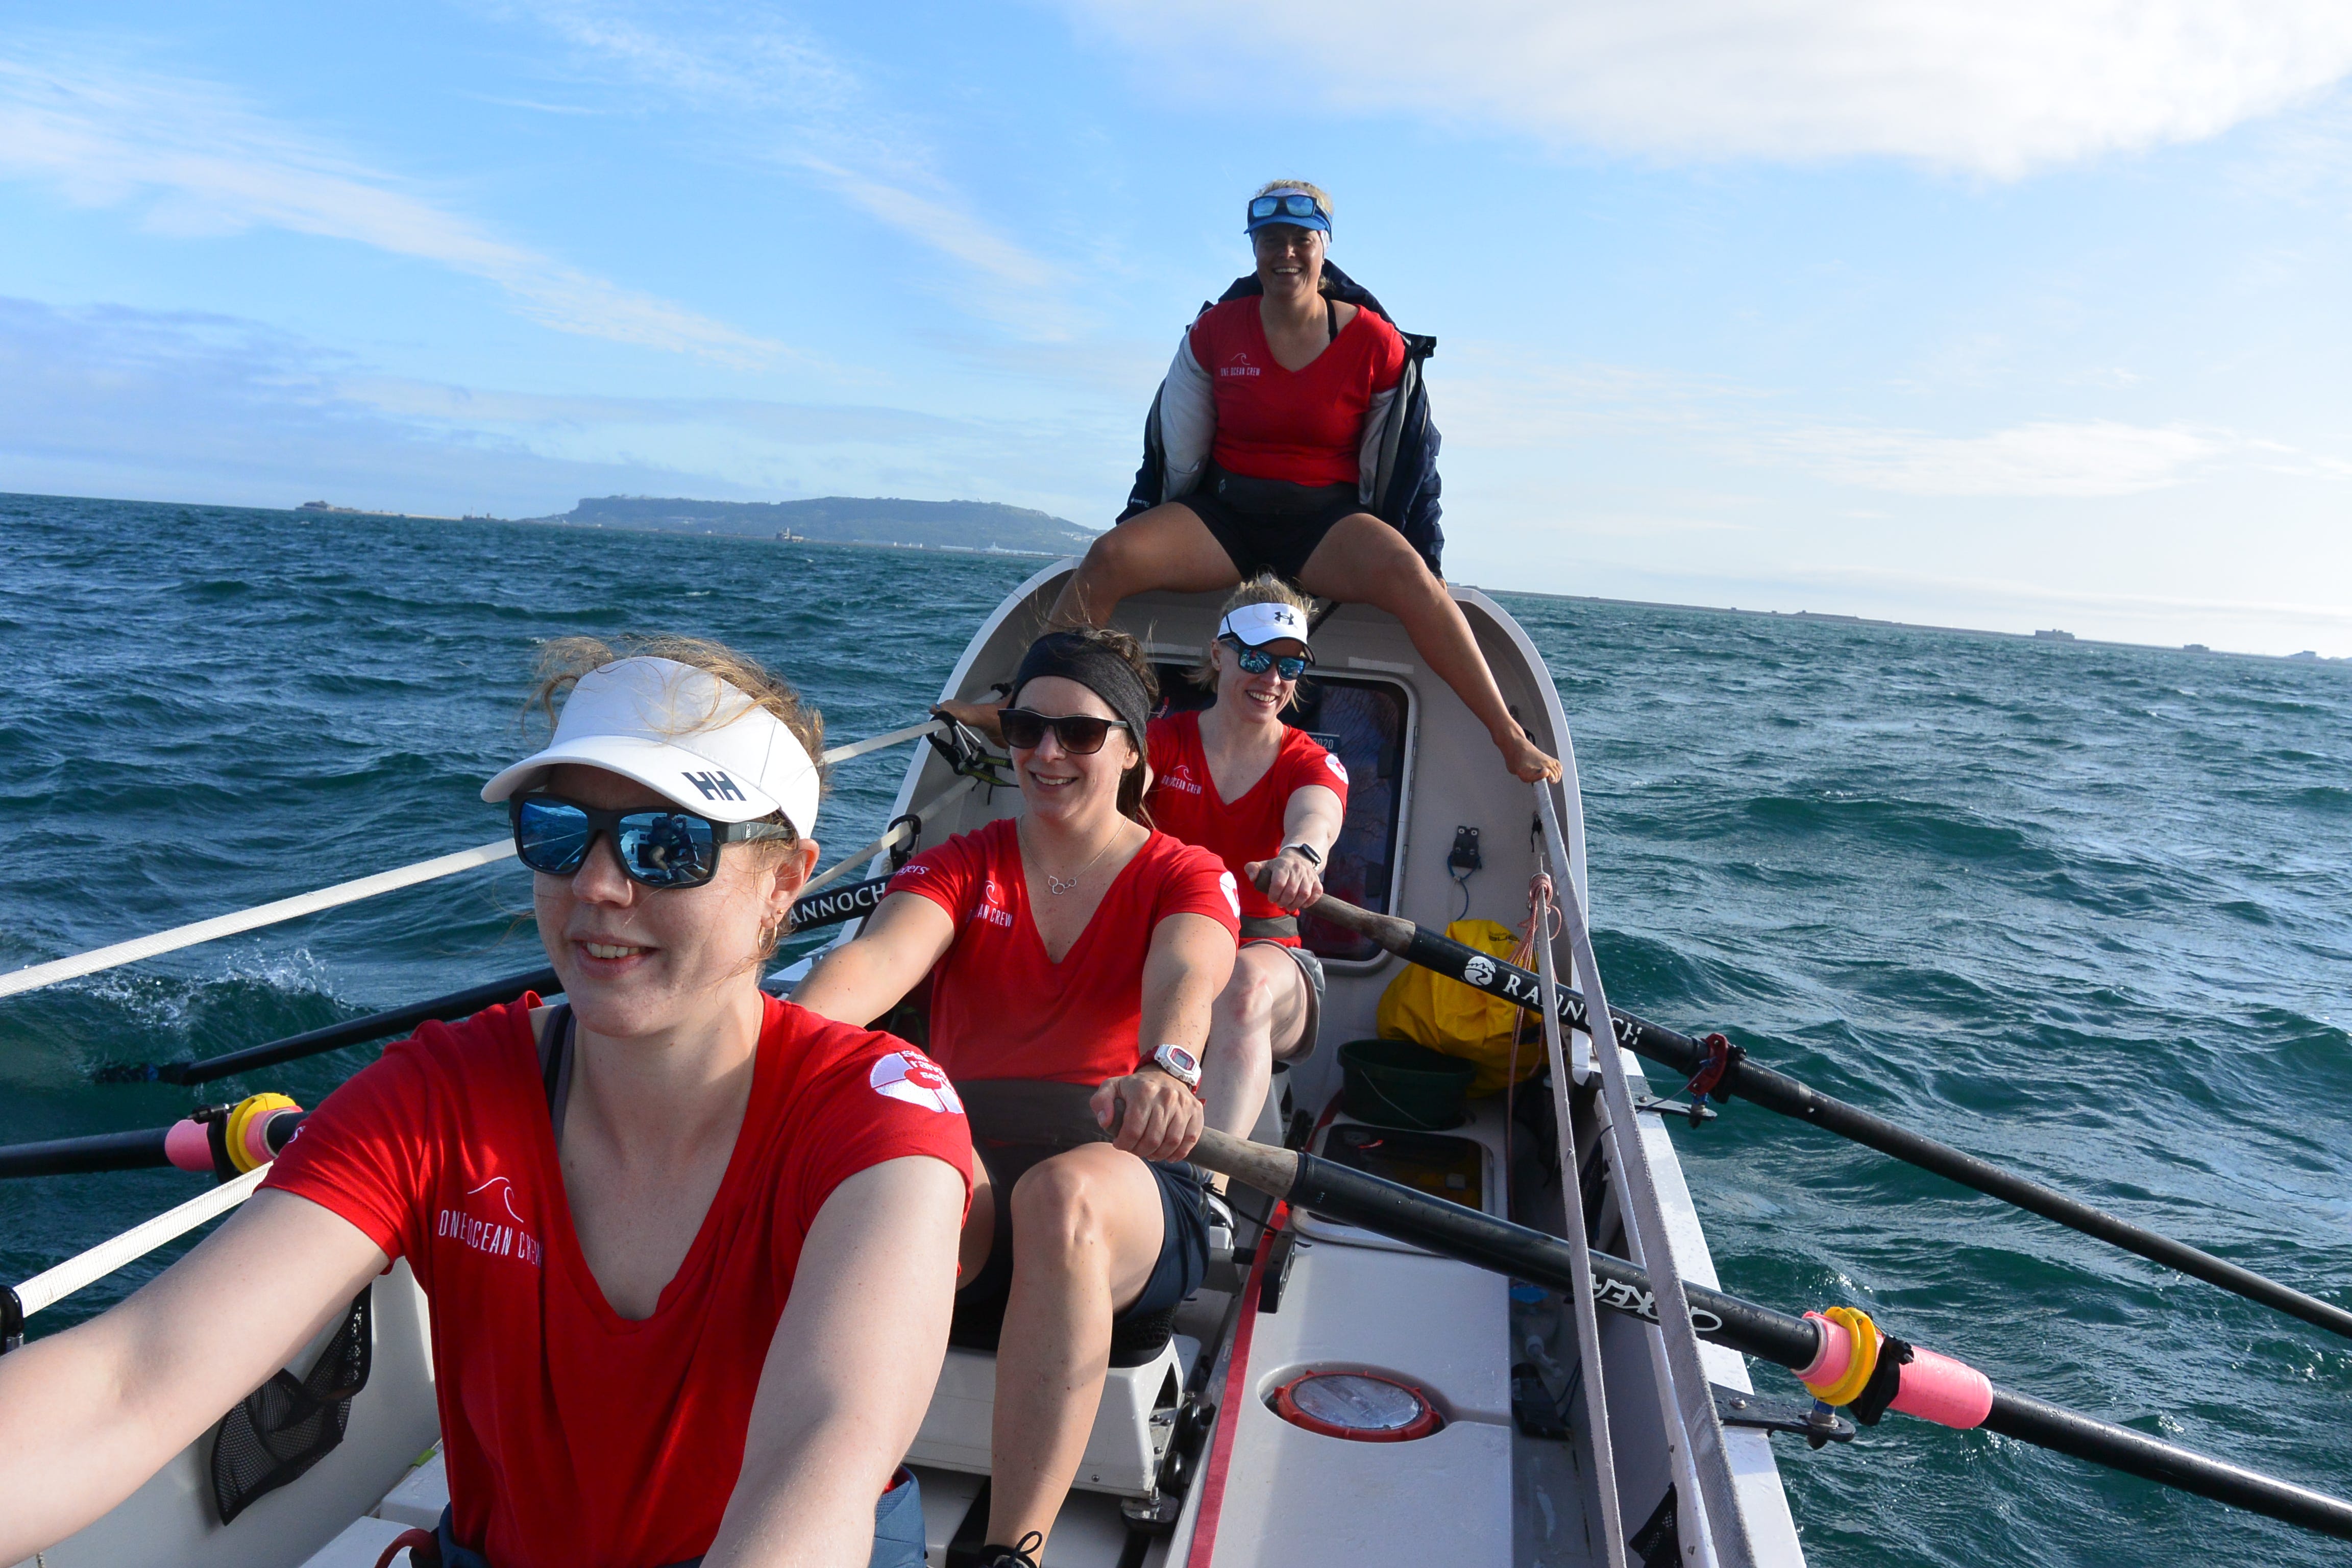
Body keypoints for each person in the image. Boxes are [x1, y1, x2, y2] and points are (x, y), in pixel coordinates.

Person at [0, 639, 973, 1568]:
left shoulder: (876, 1114)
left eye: (666, 845)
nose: (596, 885)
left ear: (785, 882)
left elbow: (822, 1455)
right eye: (559, 833)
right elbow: (131, 1381)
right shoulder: (443, 1095)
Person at [793, 627, 1239, 1568]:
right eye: (1026, 729)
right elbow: (874, 962)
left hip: (1128, 1183)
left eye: (1077, 735)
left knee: (1062, 1200)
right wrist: (776, 1046)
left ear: (1129, 747)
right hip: (971, 1180)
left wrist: (1168, 1067)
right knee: (867, 1193)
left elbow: (1187, 977)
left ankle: (1010, 1554)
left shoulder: (1184, 874)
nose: (1043, 754)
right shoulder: (963, 861)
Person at [1045, 179, 1561, 785]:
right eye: (1270, 240)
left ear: (1324, 247)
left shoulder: (1374, 340)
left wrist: (1428, 551)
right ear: (1254, 247)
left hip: (1324, 525)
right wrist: (1141, 514)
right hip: (1226, 517)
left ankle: (1507, 736)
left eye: (1300, 240)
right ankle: (1032, 706)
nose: (1284, 253)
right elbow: (1167, 444)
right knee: (1110, 556)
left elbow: (1418, 460)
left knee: (1415, 581)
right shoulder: (1215, 331)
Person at [1144, 576, 1345, 1139]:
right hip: (1167, 937)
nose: (1273, 679)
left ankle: (1211, 1200)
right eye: (1256, 658)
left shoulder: (1310, 762)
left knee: (1241, 987)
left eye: (1290, 667)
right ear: (1218, 654)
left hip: (1268, 951)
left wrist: (1301, 857)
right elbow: (1115, 791)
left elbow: (1316, 817)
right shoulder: (1161, 743)